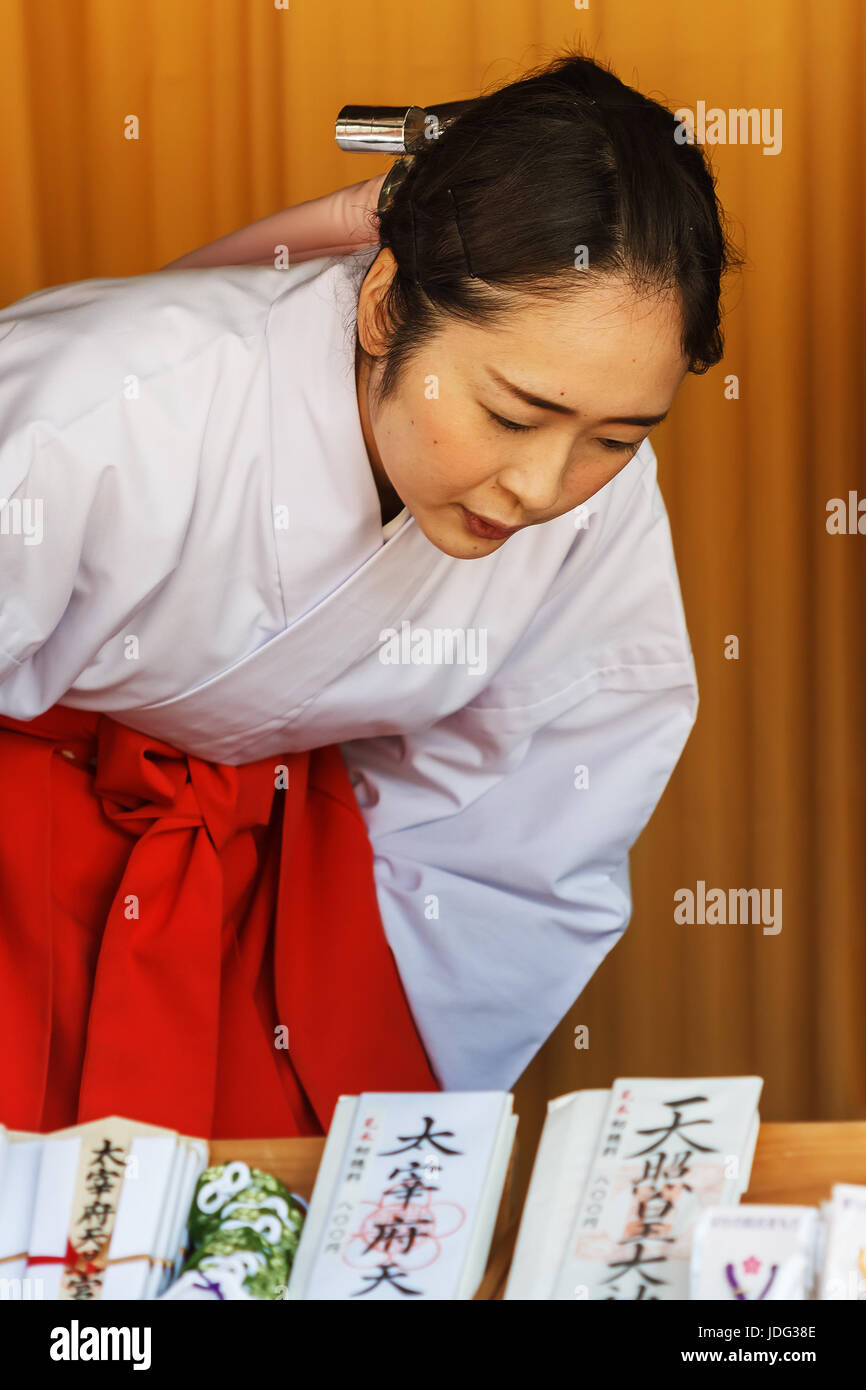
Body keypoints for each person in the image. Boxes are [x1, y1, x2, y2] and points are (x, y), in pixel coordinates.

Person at [0, 52, 740, 1140]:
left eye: (615, 437)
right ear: (387, 308)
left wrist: (351, 1012)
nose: (543, 486)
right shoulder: (85, 412)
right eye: (509, 413)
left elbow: (527, 819)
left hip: (279, 898)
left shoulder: (598, 506)